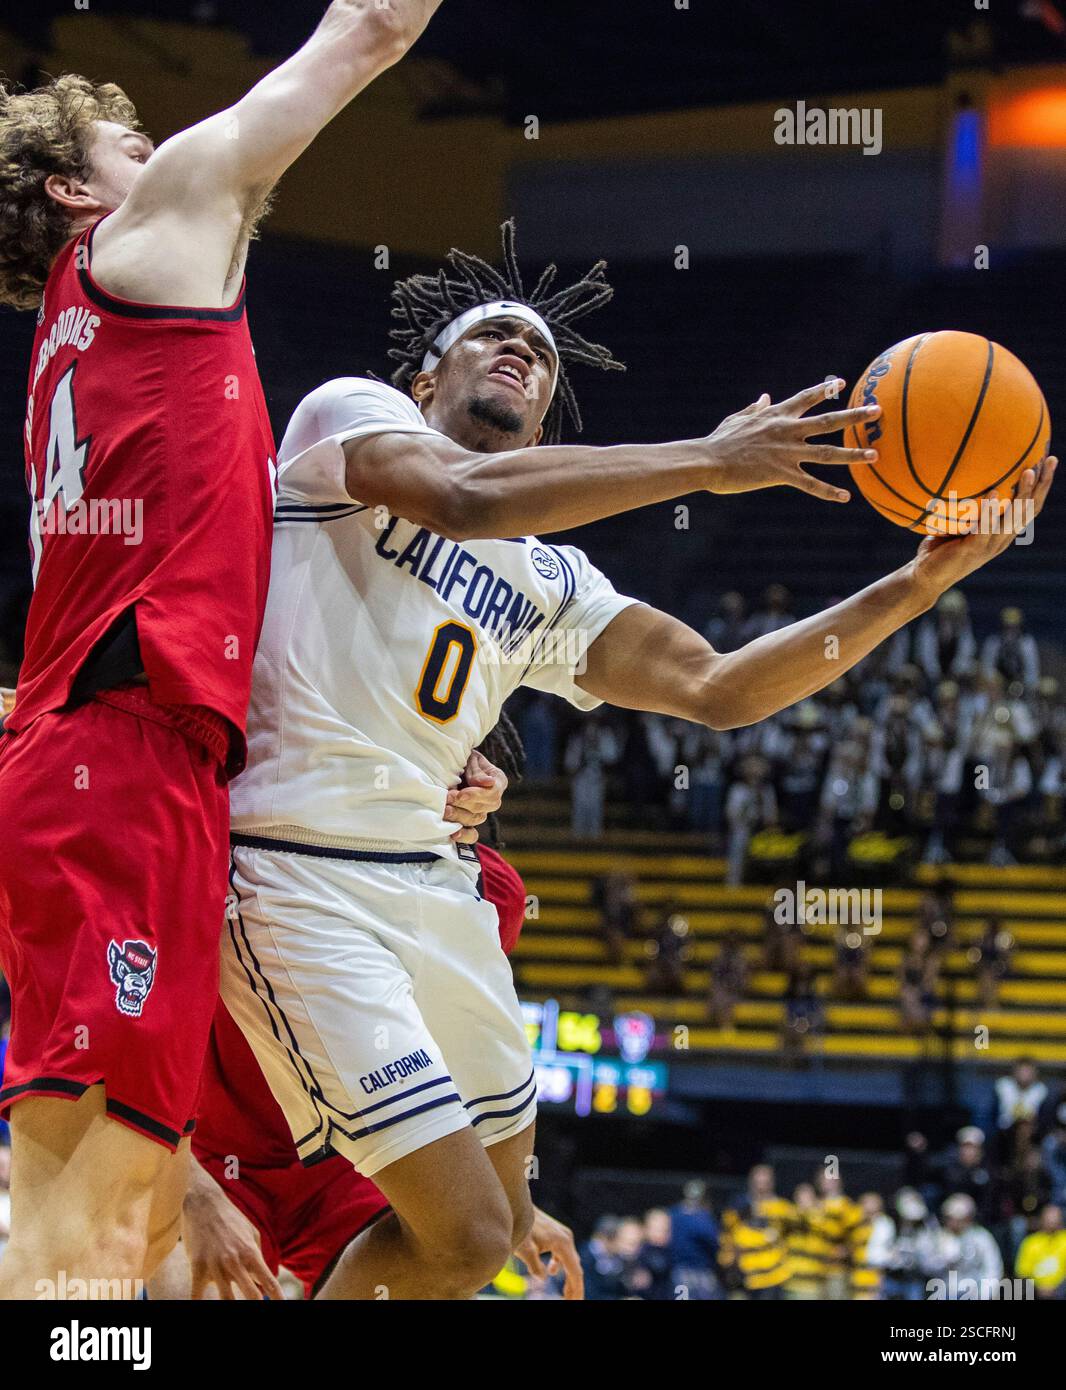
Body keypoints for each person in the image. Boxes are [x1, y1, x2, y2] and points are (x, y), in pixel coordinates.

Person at [218, 220, 1055, 1301]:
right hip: (298, 872)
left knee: (506, 1215)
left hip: (434, 889)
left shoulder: (550, 581)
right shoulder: (350, 423)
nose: (521, 348)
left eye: (541, 351)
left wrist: (916, 585)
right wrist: (712, 459)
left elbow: (721, 688)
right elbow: (463, 496)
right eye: (491, 335)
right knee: (467, 1233)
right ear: (425, 374)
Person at [0, 0, 447, 1298]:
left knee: (125, 1220)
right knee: (80, 1218)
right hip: (119, 749)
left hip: (139, 754)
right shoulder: (146, 228)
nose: (167, 144)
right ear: (73, 187)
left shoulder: (79, 332)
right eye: (128, 137)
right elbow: (363, 28)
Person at [149, 831, 584, 1301]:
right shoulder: (245, 829)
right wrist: (191, 1191)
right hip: (203, 1151)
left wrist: (493, 1193)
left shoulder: (486, 886)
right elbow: (143, 1032)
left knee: (461, 1256)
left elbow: (460, 1049)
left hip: (348, 1165)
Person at [1015, 1203, 1066, 1298]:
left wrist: (1057, 1289)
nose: (1052, 1221)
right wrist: (1038, 1288)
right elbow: (1023, 1272)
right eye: (1049, 1218)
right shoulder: (1030, 1242)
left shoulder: (1064, 1240)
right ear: (1041, 1219)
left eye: (1055, 1218)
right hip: (1035, 1292)